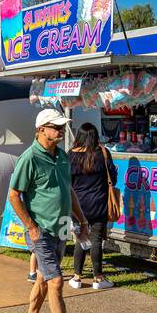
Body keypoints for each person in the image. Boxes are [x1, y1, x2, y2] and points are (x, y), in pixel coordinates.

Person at [9, 108, 89, 313]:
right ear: (41, 129)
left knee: (45, 278)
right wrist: (31, 227)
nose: (60, 130)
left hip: (62, 226)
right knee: (56, 282)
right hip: (41, 230)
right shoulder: (29, 158)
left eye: (61, 126)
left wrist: (82, 219)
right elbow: (13, 195)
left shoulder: (63, 156)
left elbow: (70, 191)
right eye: (55, 126)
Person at [68, 122, 116, 290]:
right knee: (96, 240)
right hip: (99, 203)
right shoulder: (103, 153)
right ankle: (98, 278)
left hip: (77, 205)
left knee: (81, 239)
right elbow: (113, 178)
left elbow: (67, 182)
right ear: (95, 137)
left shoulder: (70, 155)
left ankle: (76, 277)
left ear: (79, 137)